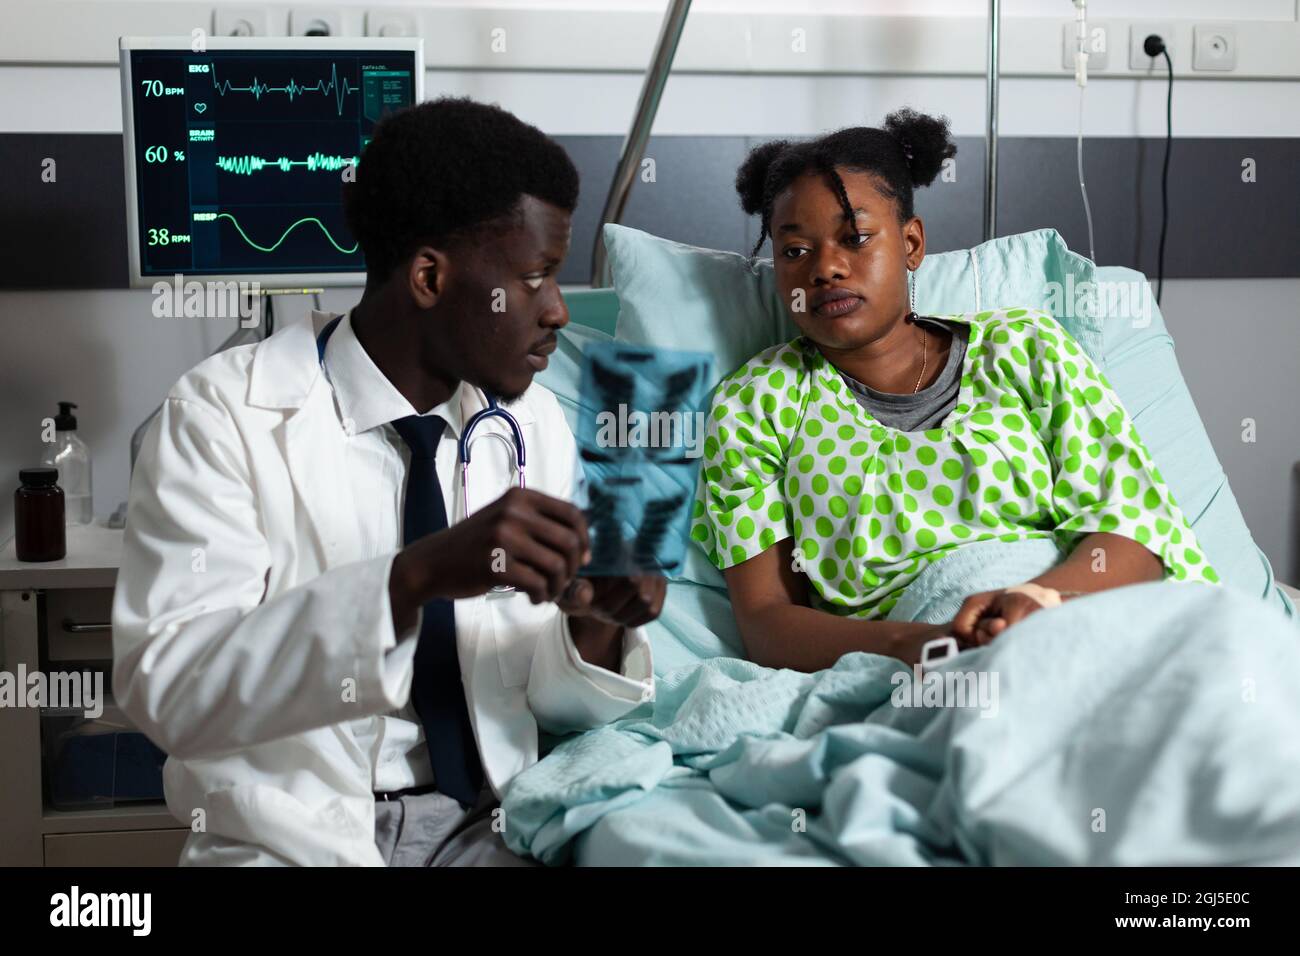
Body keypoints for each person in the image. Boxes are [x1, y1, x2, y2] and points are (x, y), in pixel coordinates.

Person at [113, 97, 665, 866]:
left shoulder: (529, 425)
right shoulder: (219, 417)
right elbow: (169, 692)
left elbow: (540, 701)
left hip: (493, 826)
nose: (559, 310)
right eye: (534, 277)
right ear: (430, 277)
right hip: (294, 839)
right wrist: (412, 579)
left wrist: (596, 622)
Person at [689, 108, 1219, 672]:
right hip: (919, 667)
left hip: (1083, 621)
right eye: (794, 251)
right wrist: (914, 646)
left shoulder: (1025, 349)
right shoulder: (756, 406)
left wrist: (1038, 603)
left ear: (912, 244)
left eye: (856, 237)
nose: (826, 268)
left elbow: (1134, 532)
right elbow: (768, 623)